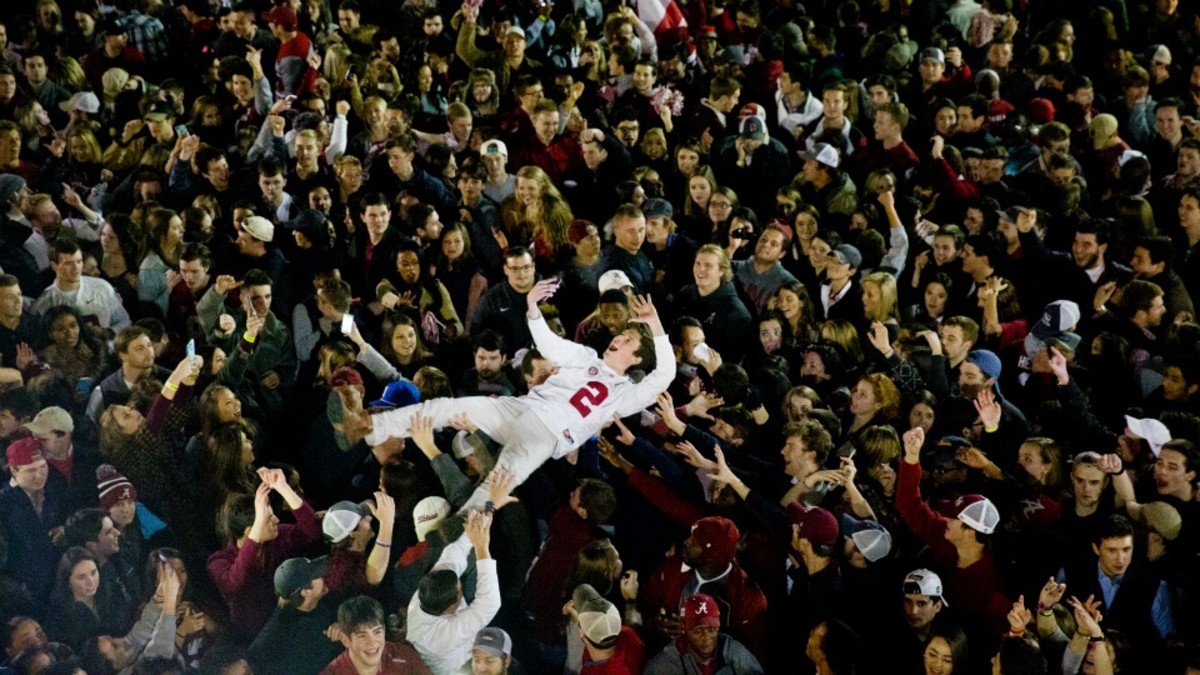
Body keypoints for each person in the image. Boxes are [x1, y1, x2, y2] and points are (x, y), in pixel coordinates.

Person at [354, 281, 673, 511]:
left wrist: (656, 327)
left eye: (628, 338)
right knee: (447, 407)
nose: (619, 336)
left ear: (637, 358)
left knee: (496, 485)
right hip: (520, 408)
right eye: (622, 333)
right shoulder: (588, 357)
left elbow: (664, 377)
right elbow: (550, 347)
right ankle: (371, 428)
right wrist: (532, 307)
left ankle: (457, 544)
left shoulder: (625, 395)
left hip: (544, 437)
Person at [643, 593, 763, 674]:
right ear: (685, 630)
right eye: (698, 631)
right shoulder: (664, 664)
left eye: (711, 629)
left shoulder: (733, 652)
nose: (706, 637)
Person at [321, 595, 430, 674]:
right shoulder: (334, 672)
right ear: (345, 640)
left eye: (377, 632)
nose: (373, 642)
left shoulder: (403, 656)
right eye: (362, 635)